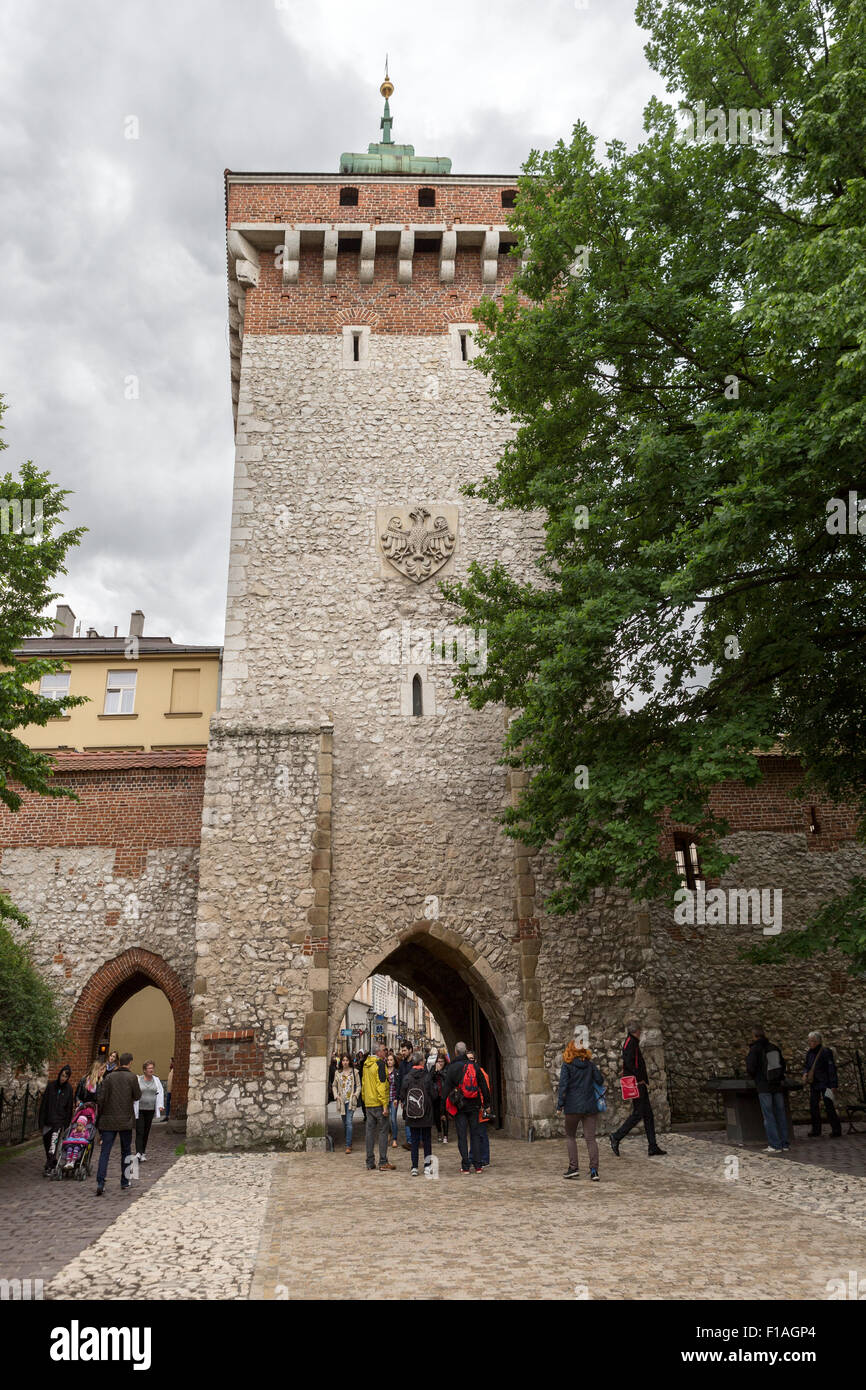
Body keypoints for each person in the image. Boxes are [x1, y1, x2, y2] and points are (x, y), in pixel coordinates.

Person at [609, 1020, 666, 1158]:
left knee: (648, 1115)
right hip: (636, 1083)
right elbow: (630, 1063)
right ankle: (616, 1136)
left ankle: (652, 1146)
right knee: (638, 1114)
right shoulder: (631, 1043)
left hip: (637, 1083)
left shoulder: (631, 1042)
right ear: (637, 1031)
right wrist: (640, 1078)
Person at [557, 1038, 605, 1180]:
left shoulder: (567, 1065)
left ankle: (573, 1168)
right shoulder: (589, 1065)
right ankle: (594, 1170)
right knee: (590, 1139)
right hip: (590, 1105)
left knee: (571, 1136)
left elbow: (563, 1087)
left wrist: (560, 1105)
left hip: (572, 1107)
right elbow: (600, 1080)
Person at [95, 1051, 141, 1195]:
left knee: (105, 1152)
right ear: (130, 1062)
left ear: (119, 1062)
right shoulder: (132, 1077)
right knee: (126, 1150)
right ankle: (125, 1180)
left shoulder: (109, 1077)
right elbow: (137, 1095)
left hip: (108, 1119)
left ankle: (100, 1182)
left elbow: (101, 1099)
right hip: (125, 1120)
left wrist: (100, 1116)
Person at [443, 1041, 490, 1174]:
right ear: (466, 1052)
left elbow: (446, 1089)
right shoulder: (474, 1066)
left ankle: (465, 1166)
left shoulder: (452, 1068)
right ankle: (478, 1165)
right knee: (475, 1135)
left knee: (462, 1136)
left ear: (456, 1052)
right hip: (474, 1105)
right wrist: (487, 1104)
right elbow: (484, 1087)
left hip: (459, 1106)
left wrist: (442, 1109)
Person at [746, 1024, 789, 1153]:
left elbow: (751, 1068)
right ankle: (784, 1143)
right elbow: (782, 1065)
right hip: (776, 1085)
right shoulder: (773, 1047)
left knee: (768, 1116)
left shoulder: (755, 1049)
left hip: (764, 1086)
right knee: (781, 1115)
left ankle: (775, 1144)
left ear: (754, 1036)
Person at [400, 1048, 435, 1176]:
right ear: (421, 1062)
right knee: (426, 1140)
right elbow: (433, 1094)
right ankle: (427, 1166)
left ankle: (414, 1167)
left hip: (412, 1113)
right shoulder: (427, 1077)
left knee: (414, 1141)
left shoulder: (407, 1077)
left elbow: (402, 1094)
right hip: (425, 1112)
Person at [803, 1030, 842, 1138]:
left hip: (826, 1084)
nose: (810, 1043)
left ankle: (836, 1130)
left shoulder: (825, 1052)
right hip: (814, 1084)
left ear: (817, 1041)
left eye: (812, 1041)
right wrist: (805, 1073)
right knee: (813, 1106)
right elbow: (806, 1065)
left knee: (829, 1106)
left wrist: (834, 1084)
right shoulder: (810, 1053)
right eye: (809, 1041)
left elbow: (831, 1069)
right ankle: (816, 1130)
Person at [361, 1044, 393, 1172]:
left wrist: (365, 1099)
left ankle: (369, 1162)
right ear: (378, 1052)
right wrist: (385, 1104)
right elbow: (382, 1085)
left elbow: (364, 1084)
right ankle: (383, 1161)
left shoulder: (366, 1065)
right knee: (383, 1132)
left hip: (369, 1103)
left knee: (369, 1133)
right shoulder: (379, 1064)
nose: (385, 1052)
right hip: (379, 1104)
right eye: (384, 1050)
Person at [38, 1066, 73, 1173]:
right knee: (47, 1143)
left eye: (65, 1077)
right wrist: (41, 1121)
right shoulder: (51, 1086)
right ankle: (52, 1162)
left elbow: (69, 1107)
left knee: (53, 1144)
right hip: (48, 1119)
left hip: (59, 1121)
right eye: (62, 1075)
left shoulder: (69, 1089)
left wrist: (66, 1123)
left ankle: (49, 1166)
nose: (63, 1078)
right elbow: (44, 1104)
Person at [134, 1060, 165, 1161]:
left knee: (146, 1131)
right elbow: (134, 1093)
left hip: (150, 1109)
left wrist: (160, 1105)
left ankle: (143, 1152)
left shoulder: (156, 1080)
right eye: (149, 1068)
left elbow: (160, 1092)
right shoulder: (139, 1080)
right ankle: (138, 1152)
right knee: (140, 1131)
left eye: (152, 1068)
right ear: (144, 1070)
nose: (151, 1070)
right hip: (140, 1109)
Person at [467, 1050, 493, 1168]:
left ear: (475, 1060)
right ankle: (473, 1156)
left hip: (480, 1108)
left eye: (471, 1059)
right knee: (474, 1133)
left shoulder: (482, 1073)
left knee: (481, 1133)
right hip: (473, 1108)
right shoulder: (467, 1074)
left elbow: (485, 1091)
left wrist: (485, 1105)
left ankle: (484, 1158)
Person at [332, 1053, 360, 1152]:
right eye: (343, 1060)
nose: (345, 1062)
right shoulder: (337, 1072)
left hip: (351, 1100)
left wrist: (356, 1095)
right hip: (341, 1101)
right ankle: (349, 1141)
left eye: (347, 1060)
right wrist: (336, 1096)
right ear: (341, 1061)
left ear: (349, 1061)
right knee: (345, 1124)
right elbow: (334, 1085)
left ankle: (348, 1146)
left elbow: (359, 1086)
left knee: (349, 1122)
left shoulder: (355, 1072)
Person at [395, 1042, 414, 1150]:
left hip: (415, 1093)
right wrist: (399, 1098)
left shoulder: (415, 1062)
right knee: (407, 1118)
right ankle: (410, 1141)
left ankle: (416, 1139)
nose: (402, 1052)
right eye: (402, 1050)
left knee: (416, 1116)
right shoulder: (402, 1064)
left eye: (404, 1050)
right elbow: (400, 1081)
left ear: (410, 1050)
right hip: (406, 1095)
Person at [430, 1055, 449, 1144]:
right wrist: (435, 1071)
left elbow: (447, 1078)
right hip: (436, 1095)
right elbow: (429, 1079)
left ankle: (446, 1135)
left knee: (444, 1115)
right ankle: (439, 1132)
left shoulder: (447, 1068)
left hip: (444, 1095)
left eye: (442, 1061)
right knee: (437, 1116)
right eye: (438, 1061)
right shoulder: (433, 1068)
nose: (440, 1063)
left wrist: (440, 1071)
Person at [386, 1050, 400, 1147]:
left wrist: (397, 1098)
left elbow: (398, 1086)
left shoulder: (397, 1072)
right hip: (385, 1099)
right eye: (388, 1060)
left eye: (391, 1060)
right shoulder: (384, 1071)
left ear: (394, 1061)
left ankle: (394, 1139)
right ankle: (389, 1133)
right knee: (386, 1119)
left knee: (393, 1119)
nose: (389, 1061)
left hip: (394, 1098)